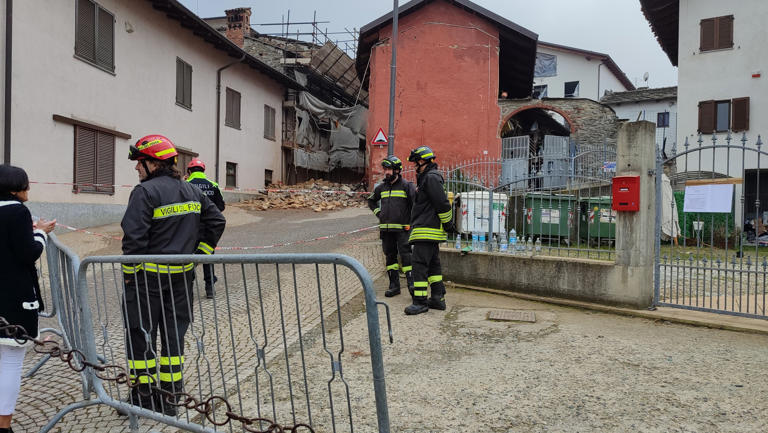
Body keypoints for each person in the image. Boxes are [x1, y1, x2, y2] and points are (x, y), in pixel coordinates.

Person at [121, 135, 226, 416]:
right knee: (173, 338)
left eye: (139, 163)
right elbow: (217, 220)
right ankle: (170, 399)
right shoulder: (191, 191)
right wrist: (199, 256)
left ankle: (143, 397)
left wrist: (130, 277)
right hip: (181, 279)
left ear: (153, 163)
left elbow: (133, 240)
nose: (136, 169)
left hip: (147, 280)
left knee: (141, 335)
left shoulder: (144, 193)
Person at [0, 165, 56, 433]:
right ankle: (4, 424)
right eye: (26, 186)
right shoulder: (17, 211)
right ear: (15, 188)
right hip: (12, 298)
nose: (28, 191)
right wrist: (41, 233)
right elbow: (27, 252)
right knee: (10, 361)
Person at [405, 146, 454, 315]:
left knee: (418, 265)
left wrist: (449, 224)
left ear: (422, 161)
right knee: (433, 266)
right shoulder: (428, 178)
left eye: (415, 163)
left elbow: (442, 203)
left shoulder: (431, 178)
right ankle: (438, 298)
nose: (414, 167)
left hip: (426, 230)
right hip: (428, 230)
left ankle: (420, 302)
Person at [367, 156, 417, 297]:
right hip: (386, 230)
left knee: (406, 257)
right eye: (385, 169)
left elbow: (415, 206)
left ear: (397, 170)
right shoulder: (381, 188)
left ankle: (411, 285)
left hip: (402, 230)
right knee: (390, 258)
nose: (386, 172)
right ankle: (394, 286)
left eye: (389, 169)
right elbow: (371, 201)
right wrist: (379, 213)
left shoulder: (407, 186)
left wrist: (411, 223)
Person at [186, 158, 225, 298]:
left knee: (189, 258)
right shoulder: (213, 185)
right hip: (209, 230)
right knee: (208, 257)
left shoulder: (186, 185)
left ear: (189, 171)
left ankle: (187, 287)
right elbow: (221, 207)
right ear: (203, 170)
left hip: (191, 229)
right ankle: (210, 289)